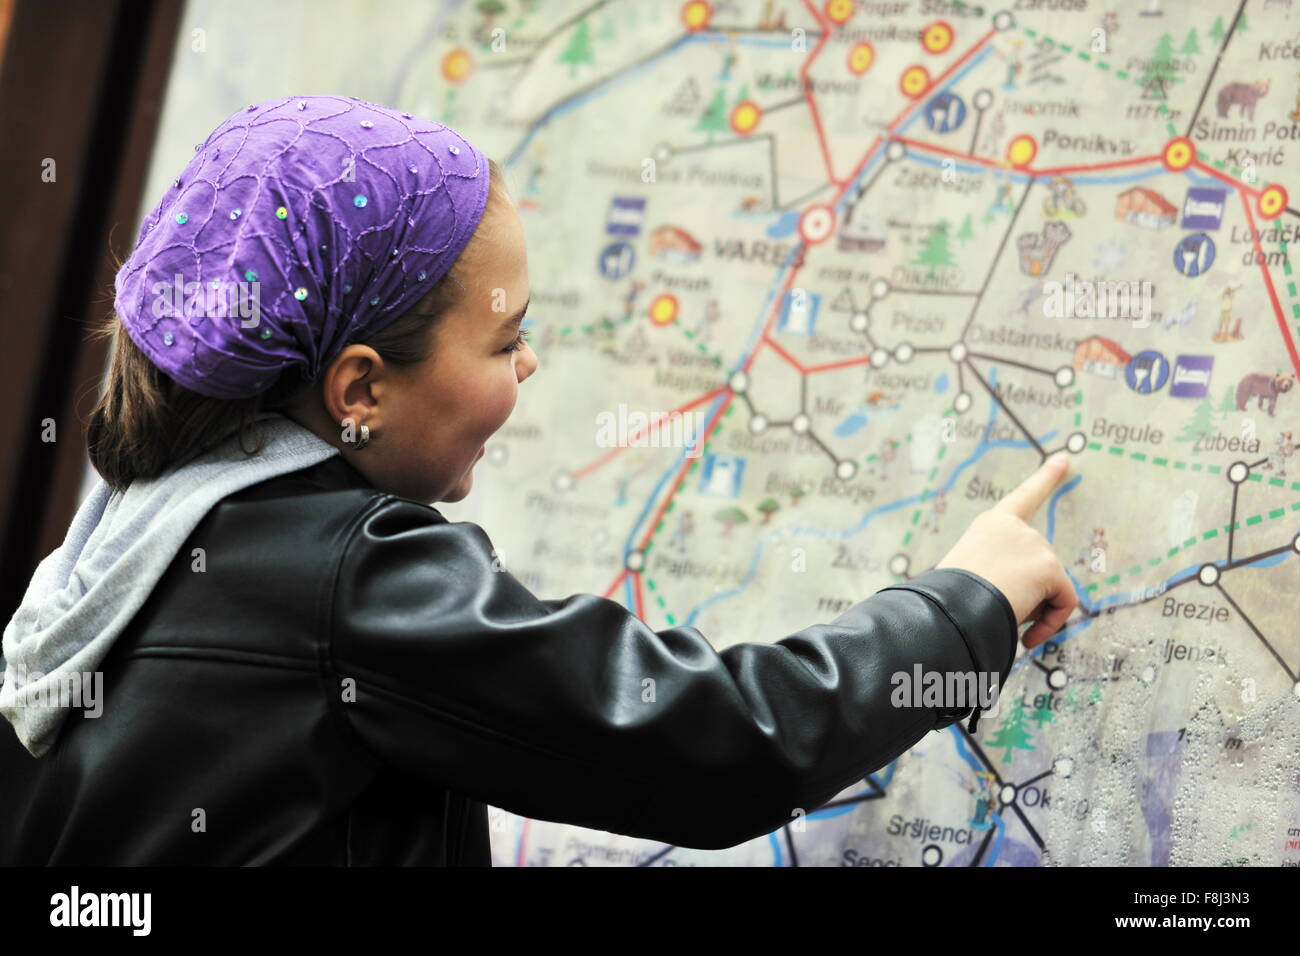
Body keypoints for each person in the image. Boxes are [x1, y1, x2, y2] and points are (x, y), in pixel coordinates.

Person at [0, 96, 1076, 865]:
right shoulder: (347, 580)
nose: (529, 362)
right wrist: (960, 604)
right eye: (505, 336)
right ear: (358, 387)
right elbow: (720, 744)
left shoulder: (113, 543)